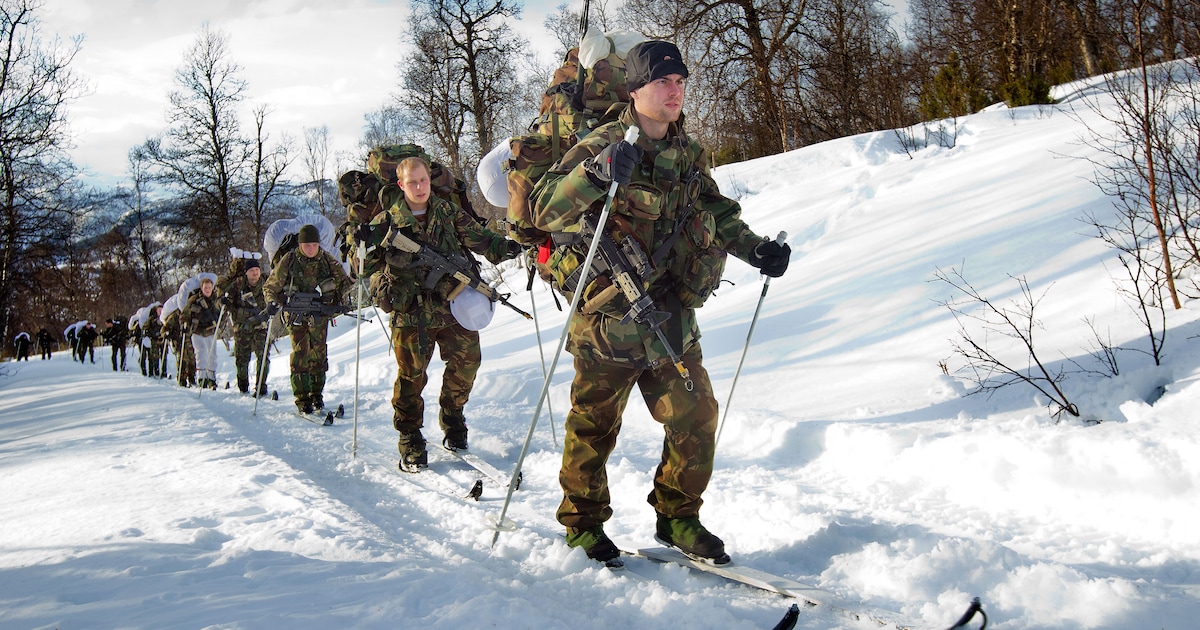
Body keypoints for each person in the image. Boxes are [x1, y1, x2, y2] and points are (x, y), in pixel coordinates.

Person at [530, 40, 792, 565]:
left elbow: (716, 211)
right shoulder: (602, 141)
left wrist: (754, 248)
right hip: (607, 323)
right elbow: (542, 210)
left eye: (680, 82)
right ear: (636, 89)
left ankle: (678, 517)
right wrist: (598, 172)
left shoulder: (688, 152)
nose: (675, 91)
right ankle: (582, 526)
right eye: (663, 82)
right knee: (593, 427)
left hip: (669, 317)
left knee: (696, 414)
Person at [362, 156, 520, 471]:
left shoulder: (448, 213)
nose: (420, 188)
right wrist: (372, 265)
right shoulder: (386, 223)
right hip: (410, 313)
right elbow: (365, 267)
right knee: (412, 376)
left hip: (453, 306)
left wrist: (512, 246)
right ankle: (409, 435)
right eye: (412, 183)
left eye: (423, 181)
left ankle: (452, 415)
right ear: (401, 185)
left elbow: (482, 240)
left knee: (467, 363)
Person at [263, 224, 352, 414]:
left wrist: (338, 294)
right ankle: (302, 398)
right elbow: (270, 287)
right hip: (295, 315)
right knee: (300, 354)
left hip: (319, 316)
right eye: (307, 245)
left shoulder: (327, 260)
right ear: (300, 244)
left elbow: (344, 282)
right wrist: (272, 303)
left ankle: (316, 395)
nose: (311, 249)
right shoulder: (289, 260)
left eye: (314, 245)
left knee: (319, 355)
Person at [223, 258, 270, 395]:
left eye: (257, 270)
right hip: (243, 327)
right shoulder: (238, 285)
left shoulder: (267, 283)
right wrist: (224, 302)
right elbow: (225, 303)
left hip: (261, 325)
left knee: (263, 356)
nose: (255, 273)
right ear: (246, 273)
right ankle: (243, 385)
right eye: (252, 271)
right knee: (242, 358)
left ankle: (261, 385)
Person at [183, 277, 221, 389]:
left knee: (212, 354)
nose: (208, 290)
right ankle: (201, 377)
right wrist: (184, 324)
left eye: (210, 287)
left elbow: (221, 314)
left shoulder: (216, 299)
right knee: (201, 353)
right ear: (201, 288)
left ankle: (211, 378)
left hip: (211, 331)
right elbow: (185, 314)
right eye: (206, 288)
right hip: (197, 331)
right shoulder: (194, 300)